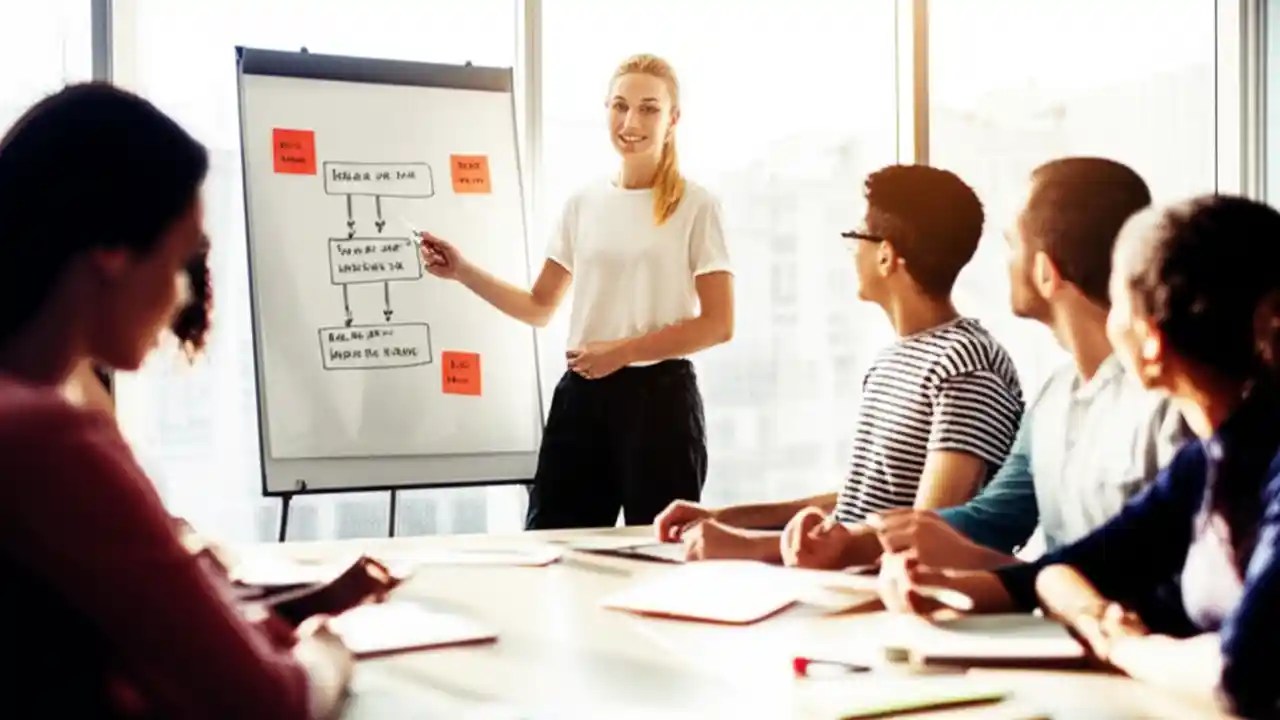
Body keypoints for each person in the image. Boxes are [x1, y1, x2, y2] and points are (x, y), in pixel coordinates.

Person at [0, 83, 352, 719]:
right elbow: (269, 703)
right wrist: (326, 648)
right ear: (112, 251)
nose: (183, 297)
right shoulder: (43, 436)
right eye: (179, 262)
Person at [877, 195, 1280, 718]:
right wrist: (952, 590)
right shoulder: (1211, 458)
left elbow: (1241, 673)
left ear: (1150, 343)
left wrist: (1121, 645)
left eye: (1118, 301)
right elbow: (1063, 570)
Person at [783, 158, 1189, 571]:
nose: (1004, 263)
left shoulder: (1170, 404)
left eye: (1012, 246)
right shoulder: (1053, 399)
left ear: (1045, 272)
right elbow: (992, 518)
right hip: (1050, 608)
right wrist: (847, 543)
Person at [418, 53, 733, 530]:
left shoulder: (696, 206)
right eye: (620, 106)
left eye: (649, 109)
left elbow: (718, 324)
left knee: (659, 549)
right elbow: (539, 306)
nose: (631, 122)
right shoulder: (583, 203)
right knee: (554, 544)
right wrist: (462, 271)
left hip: (661, 403)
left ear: (673, 119)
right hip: (583, 397)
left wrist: (622, 353)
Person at [655, 164, 1024, 561]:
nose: (851, 253)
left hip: (882, 591)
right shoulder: (894, 360)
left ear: (886, 256)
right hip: (839, 578)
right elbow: (858, 504)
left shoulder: (967, 364)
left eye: (855, 238)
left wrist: (752, 548)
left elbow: (929, 533)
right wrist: (726, 518)